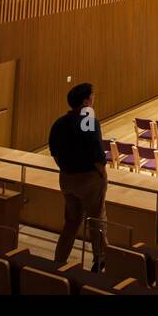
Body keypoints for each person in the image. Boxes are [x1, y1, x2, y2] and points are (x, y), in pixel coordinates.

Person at [48, 82, 107, 270]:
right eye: (92, 96)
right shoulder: (87, 118)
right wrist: (102, 175)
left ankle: (58, 262)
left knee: (71, 223)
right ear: (85, 101)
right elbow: (96, 152)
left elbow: (54, 153)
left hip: (66, 178)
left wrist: (66, 169)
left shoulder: (59, 122)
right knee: (95, 220)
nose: (94, 99)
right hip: (88, 179)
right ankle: (100, 260)